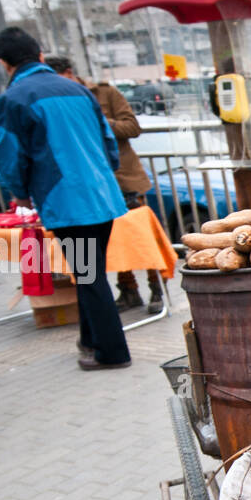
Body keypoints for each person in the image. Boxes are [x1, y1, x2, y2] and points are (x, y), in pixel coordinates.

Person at [0, 27, 131, 370]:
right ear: (40, 56)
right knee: (90, 274)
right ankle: (90, 340)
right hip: (102, 195)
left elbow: (8, 154)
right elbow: (108, 141)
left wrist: (20, 193)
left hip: (68, 204)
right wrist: (103, 172)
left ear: (4, 64)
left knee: (88, 275)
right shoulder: (78, 90)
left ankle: (112, 353)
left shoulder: (14, 100)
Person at [44, 55, 163, 314]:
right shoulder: (58, 104)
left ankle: (157, 287)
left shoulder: (103, 92)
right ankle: (128, 289)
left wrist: (99, 122)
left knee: (140, 238)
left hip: (124, 178)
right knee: (113, 244)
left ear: (68, 73)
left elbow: (132, 127)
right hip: (92, 185)